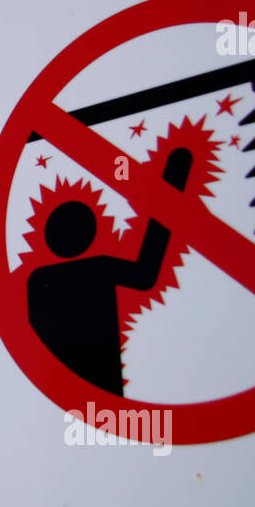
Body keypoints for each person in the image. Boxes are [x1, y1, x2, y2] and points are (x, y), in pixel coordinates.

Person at [27, 148, 192, 395]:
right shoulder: (97, 268)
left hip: (57, 393)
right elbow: (146, 274)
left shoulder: (37, 280)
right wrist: (170, 192)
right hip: (97, 389)